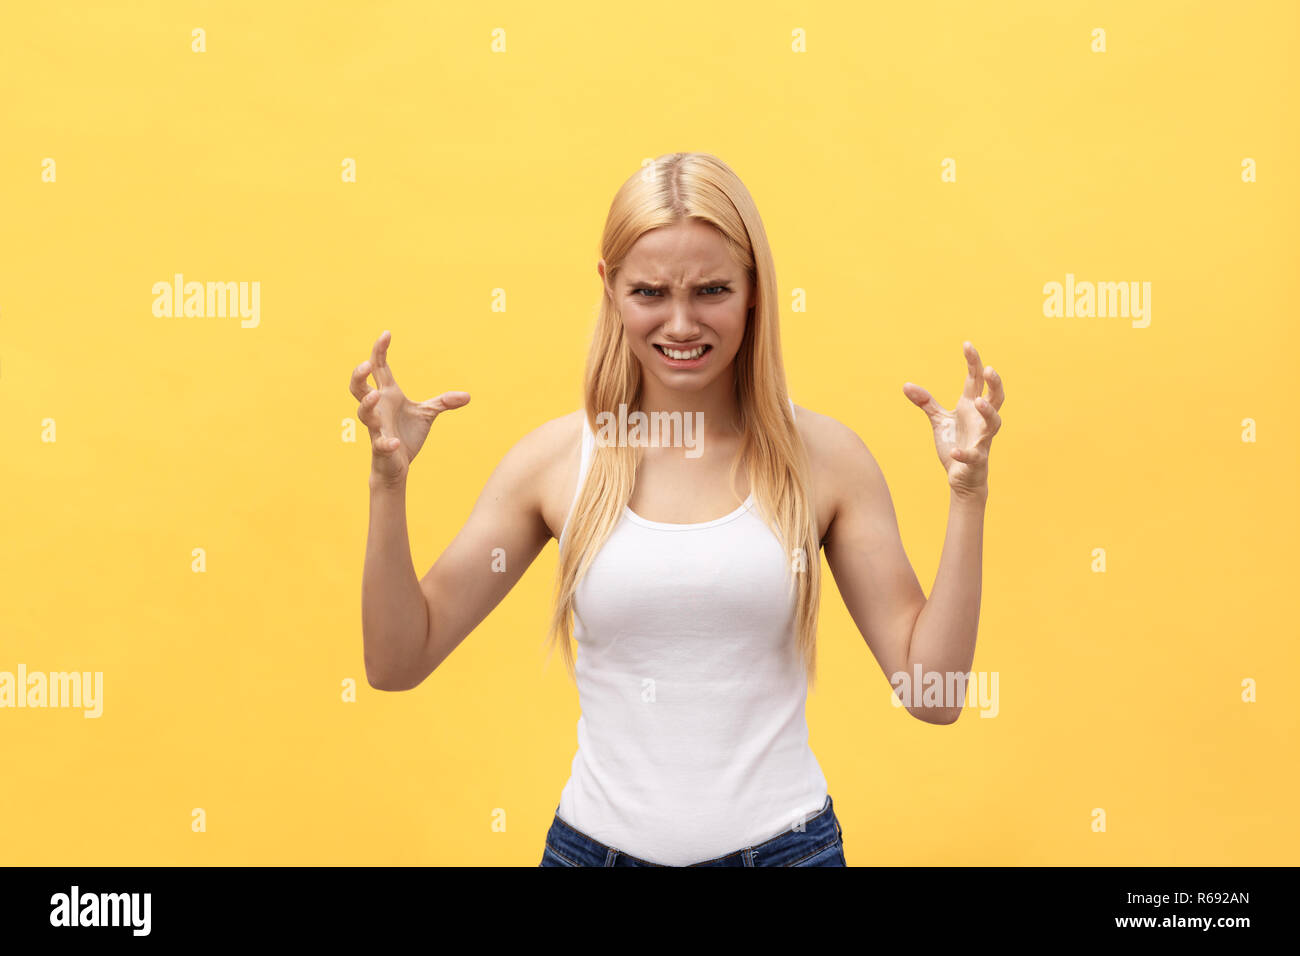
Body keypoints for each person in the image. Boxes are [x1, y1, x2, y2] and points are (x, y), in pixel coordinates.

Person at [350, 152, 1004, 867]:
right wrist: (390, 482)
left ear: (754, 288)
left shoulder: (827, 460)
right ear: (609, 287)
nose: (682, 323)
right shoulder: (557, 463)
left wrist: (967, 495)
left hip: (787, 852)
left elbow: (930, 692)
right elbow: (396, 660)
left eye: (713, 289)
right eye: (650, 292)